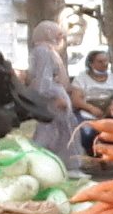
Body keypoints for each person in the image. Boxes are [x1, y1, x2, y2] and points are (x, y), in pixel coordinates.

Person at [24, 21, 80, 156]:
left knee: (61, 131)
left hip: (56, 93)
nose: (61, 38)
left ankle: (60, 161)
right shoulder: (43, 51)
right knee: (53, 131)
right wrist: (54, 97)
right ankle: (46, 159)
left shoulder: (48, 50)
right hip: (53, 96)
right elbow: (44, 77)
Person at [73, 51, 113, 115]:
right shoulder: (82, 78)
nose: (104, 64)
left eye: (106, 61)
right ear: (91, 64)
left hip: (111, 113)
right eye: (100, 62)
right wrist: (91, 108)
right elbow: (76, 100)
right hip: (88, 114)